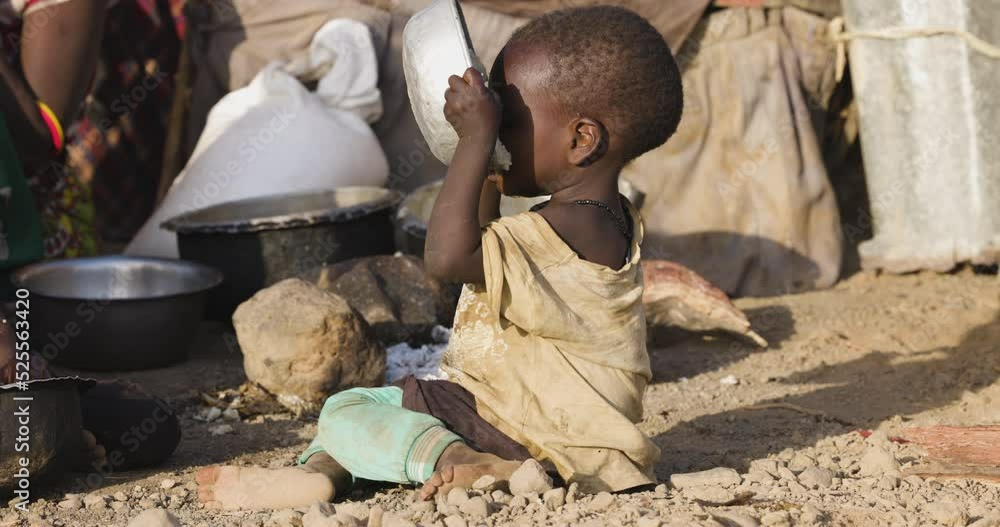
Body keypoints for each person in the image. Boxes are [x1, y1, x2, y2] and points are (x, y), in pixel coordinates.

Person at [197, 6, 683, 509]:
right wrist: (492, 160)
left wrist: (473, 143)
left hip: (521, 432)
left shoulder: (575, 226)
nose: (494, 132)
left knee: (349, 409)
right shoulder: (600, 220)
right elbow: (482, 235)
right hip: (534, 423)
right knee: (370, 412)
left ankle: (458, 461)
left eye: (507, 122)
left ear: (582, 140)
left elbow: (449, 258)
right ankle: (326, 475)